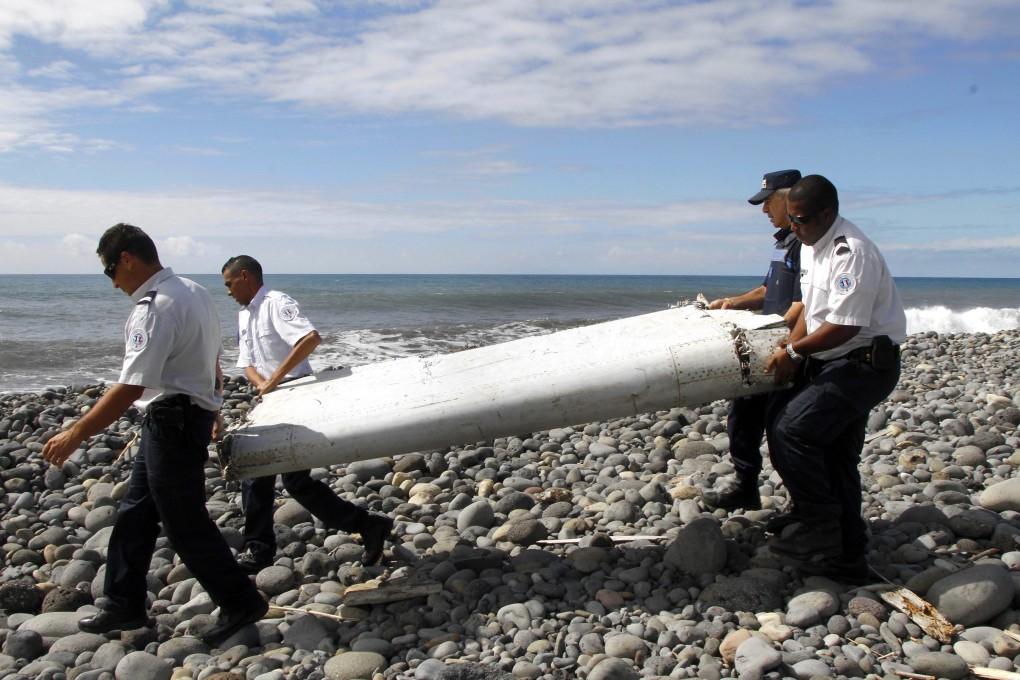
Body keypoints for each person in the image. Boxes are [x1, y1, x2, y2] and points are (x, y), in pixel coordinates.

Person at [43, 224, 267, 644]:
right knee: (136, 511)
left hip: (173, 420)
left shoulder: (155, 305)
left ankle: (240, 599)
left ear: (127, 259)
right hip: (179, 416)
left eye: (110, 270)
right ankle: (123, 602)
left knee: (183, 521)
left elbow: (130, 387)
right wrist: (213, 405)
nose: (113, 283)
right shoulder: (194, 292)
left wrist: (77, 432)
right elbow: (209, 356)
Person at [764, 175, 906, 581]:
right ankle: (848, 557)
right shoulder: (812, 245)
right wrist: (792, 349)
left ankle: (819, 525)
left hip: (863, 365)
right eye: (790, 219)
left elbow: (844, 326)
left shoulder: (852, 254)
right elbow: (811, 306)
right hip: (833, 360)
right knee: (832, 453)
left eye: (801, 220)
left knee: (794, 431)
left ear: (828, 213)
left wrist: (793, 351)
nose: (793, 228)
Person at [222, 255, 394, 572]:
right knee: (272, 477)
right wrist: (262, 385)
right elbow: (246, 362)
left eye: (229, 284)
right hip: (269, 398)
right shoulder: (244, 315)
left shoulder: (276, 302)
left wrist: (274, 381)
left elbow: (309, 339)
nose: (228, 292)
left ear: (245, 276)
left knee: (285, 478)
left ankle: (259, 549)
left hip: (296, 393)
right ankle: (366, 526)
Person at [702, 169, 804, 512]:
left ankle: (800, 503)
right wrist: (731, 303)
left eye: (768, 202)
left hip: (788, 348)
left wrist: (787, 346)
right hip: (767, 344)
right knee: (742, 416)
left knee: (783, 429)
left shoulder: (806, 245)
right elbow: (766, 291)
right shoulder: (783, 244)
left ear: (789, 198)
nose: (764, 211)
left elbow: (805, 305)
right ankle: (746, 485)